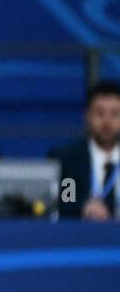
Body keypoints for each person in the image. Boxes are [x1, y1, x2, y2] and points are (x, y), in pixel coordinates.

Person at [50, 81, 120, 220]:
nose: (107, 121)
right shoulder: (68, 160)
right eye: (99, 113)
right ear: (87, 116)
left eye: (115, 113)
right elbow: (66, 201)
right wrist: (83, 207)